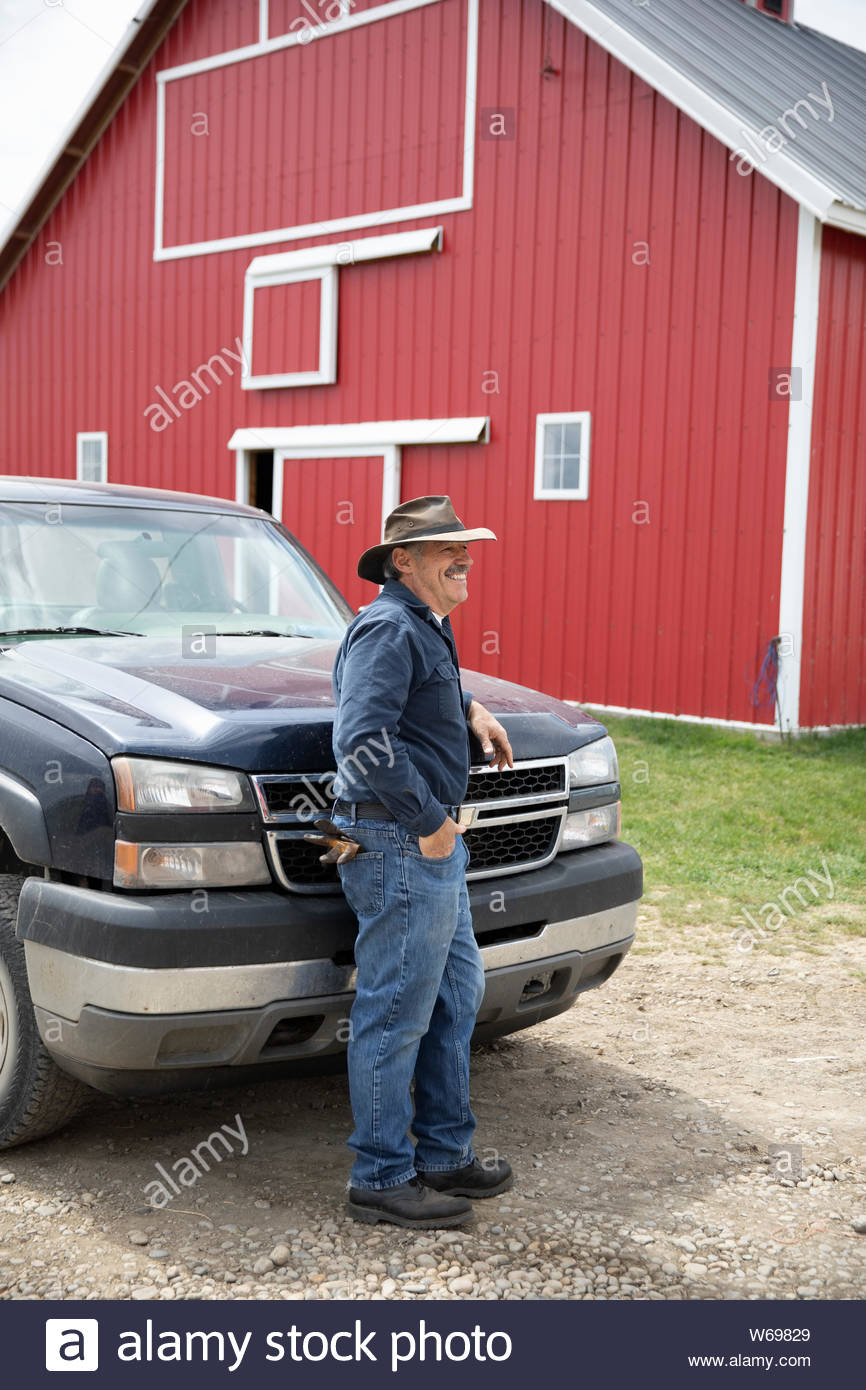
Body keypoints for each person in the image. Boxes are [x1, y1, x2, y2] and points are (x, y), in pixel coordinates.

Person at [330, 495, 515, 1228]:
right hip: (402, 845)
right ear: (402, 562)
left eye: (464, 546)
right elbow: (363, 739)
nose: (463, 557)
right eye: (447, 549)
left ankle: (444, 1154)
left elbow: (414, 705)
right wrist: (431, 824)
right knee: (395, 1014)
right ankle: (379, 1175)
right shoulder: (387, 626)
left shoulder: (425, 627)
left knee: (452, 1000)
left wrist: (470, 712)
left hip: (428, 849)